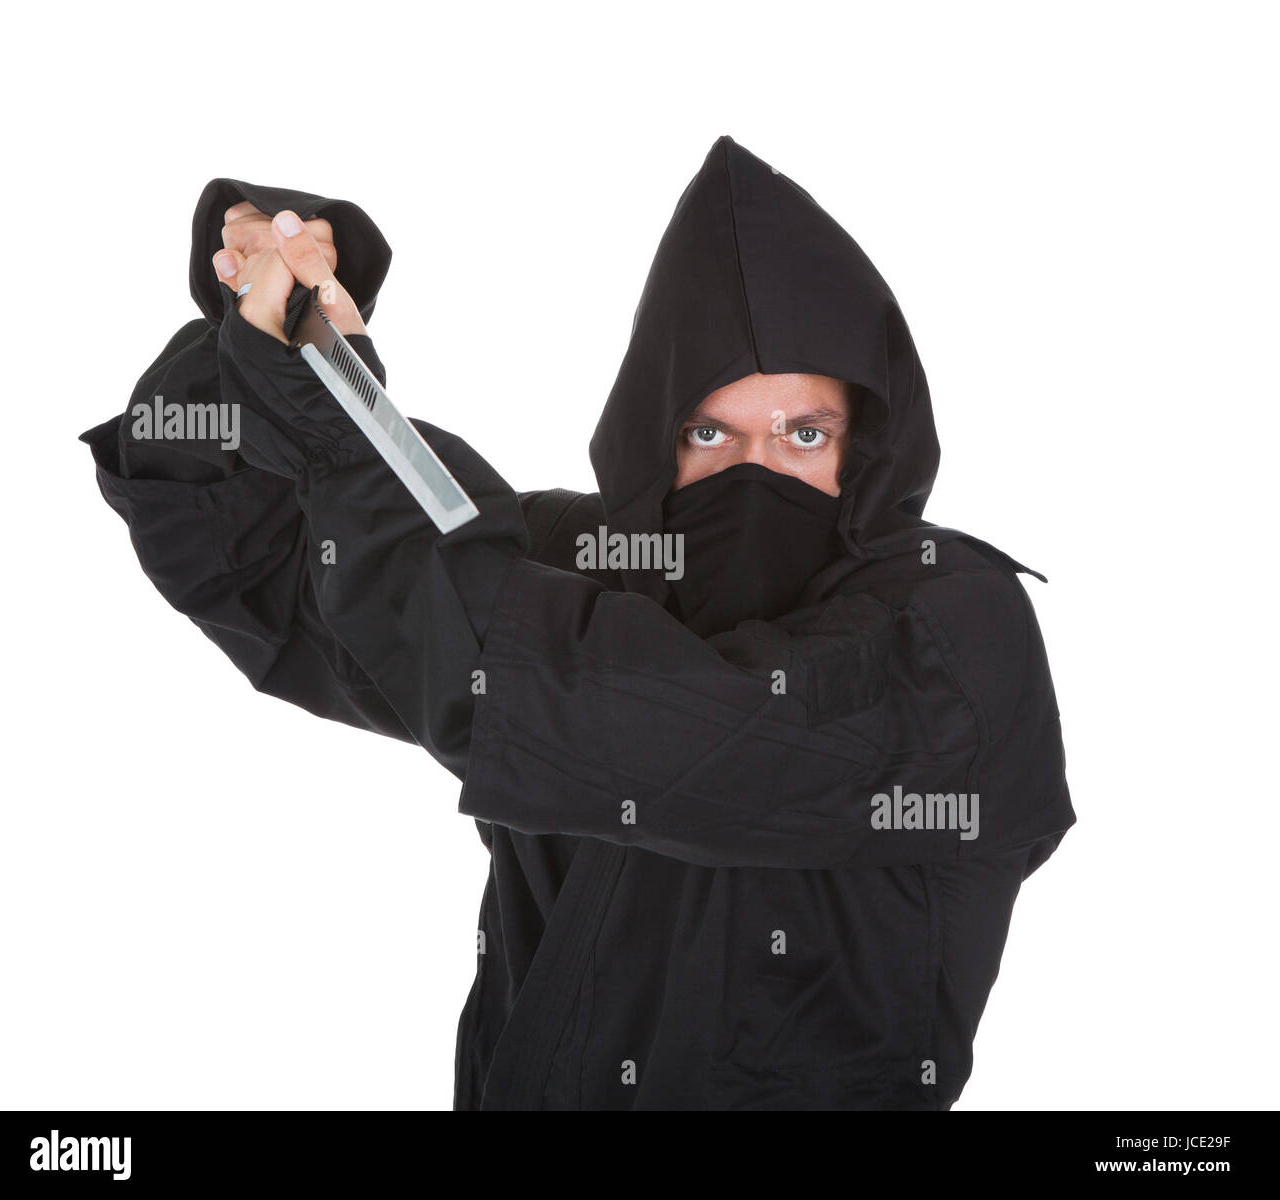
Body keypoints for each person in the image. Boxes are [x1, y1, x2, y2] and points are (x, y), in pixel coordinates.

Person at [81, 134, 1075, 1110]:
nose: (755, 473)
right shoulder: (590, 566)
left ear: (870, 447)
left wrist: (344, 436)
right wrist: (276, 325)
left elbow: (594, 709)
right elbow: (266, 566)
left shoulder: (952, 635)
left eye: (803, 434)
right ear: (654, 437)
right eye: (708, 432)